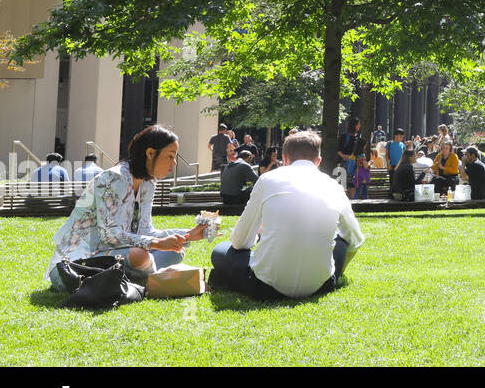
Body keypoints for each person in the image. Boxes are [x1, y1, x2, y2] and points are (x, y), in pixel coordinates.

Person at [46, 126, 210, 291]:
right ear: (150, 153)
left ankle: (143, 279)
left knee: (175, 250)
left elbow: (145, 231)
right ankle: (154, 281)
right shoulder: (113, 178)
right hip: (74, 266)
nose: (174, 163)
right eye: (170, 156)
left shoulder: (148, 184)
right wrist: (157, 243)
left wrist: (188, 235)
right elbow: (108, 236)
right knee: (139, 255)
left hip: (116, 256)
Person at [209, 130, 364, 300]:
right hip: (320, 285)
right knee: (342, 239)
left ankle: (227, 279)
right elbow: (355, 238)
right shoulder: (333, 186)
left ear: (284, 159)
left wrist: (259, 235)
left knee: (220, 250)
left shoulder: (267, 180)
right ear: (318, 161)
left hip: (266, 287)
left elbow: (240, 242)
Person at [337, 118, 364, 187]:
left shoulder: (358, 137)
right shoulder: (344, 136)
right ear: (354, 125)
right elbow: (338, 150)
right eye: (359, 124)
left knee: (353, 185)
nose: (360, 125)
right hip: (345, 164)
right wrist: (344, 156)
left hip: (355, 165)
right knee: (343, 185)